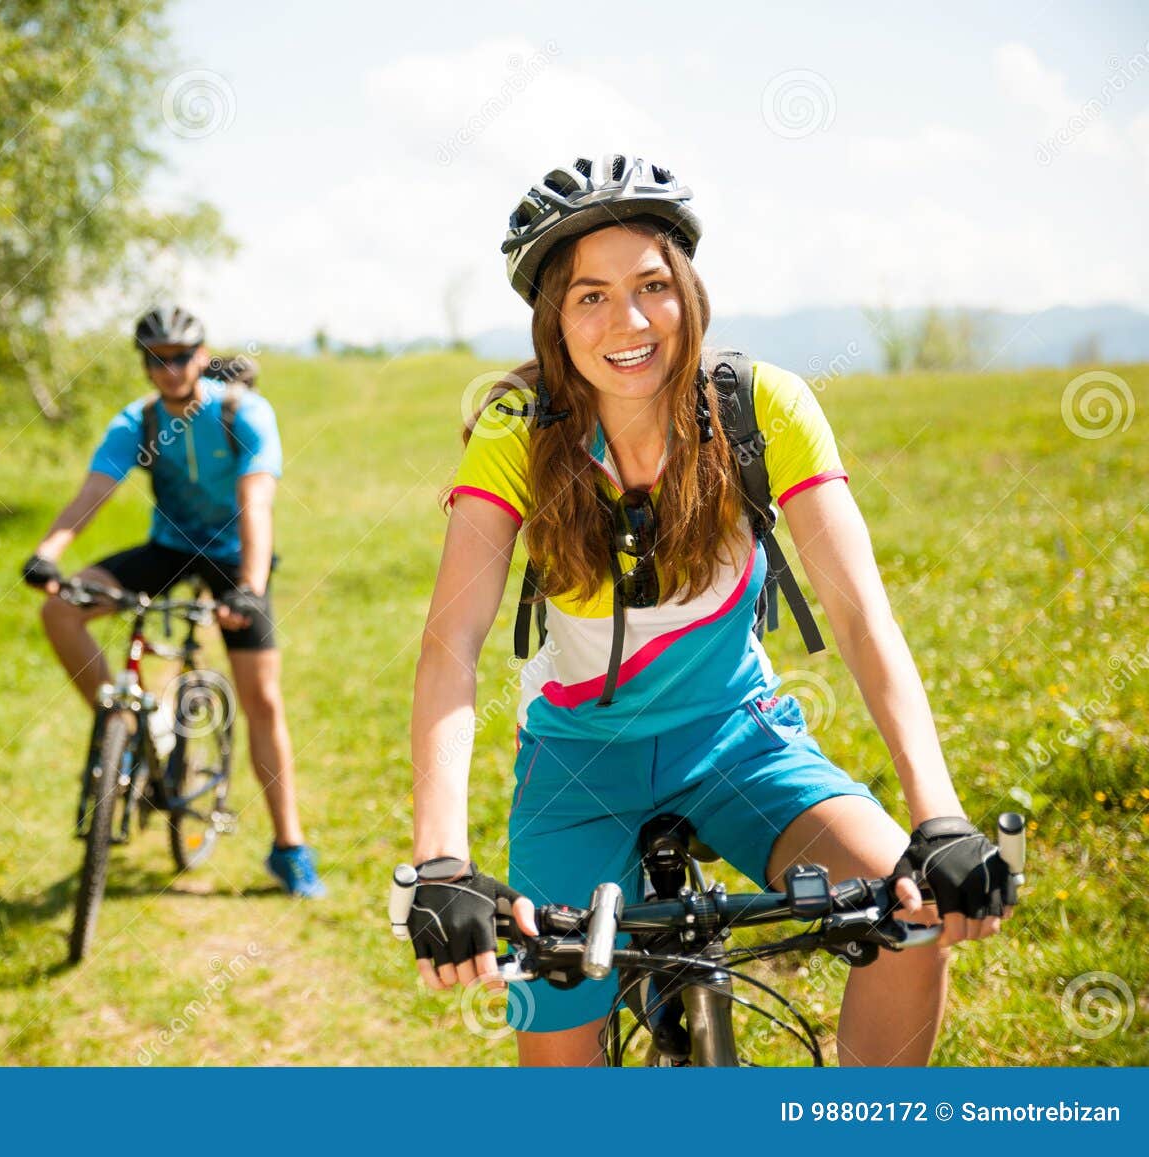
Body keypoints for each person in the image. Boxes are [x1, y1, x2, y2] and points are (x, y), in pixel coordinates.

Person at [406, 155, 1007, 1065]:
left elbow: (863, 620)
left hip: (738, 738)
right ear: (553, 322)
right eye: (591, 297)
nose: (631, 321)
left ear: (688, 289)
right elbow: (452, 641)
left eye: (652, 285)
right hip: (579, 764)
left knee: (907, 913)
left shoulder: (762, 407)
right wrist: (442, 858)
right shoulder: (516, 432)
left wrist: (941, 817)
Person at [24, 304, 324, 898]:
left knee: (262, 698)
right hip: (169, 549)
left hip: (236, 558)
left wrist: (251, 590)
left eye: (182, 356)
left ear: (203, 357)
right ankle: (125, 730)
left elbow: (256, 504)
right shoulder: (136, 422)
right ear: (145, 364)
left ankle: (289, 847)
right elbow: (92, 494)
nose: (170, 369)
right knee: (60, 609)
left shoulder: (243, 413)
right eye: (156, 359)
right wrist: (48, 553)